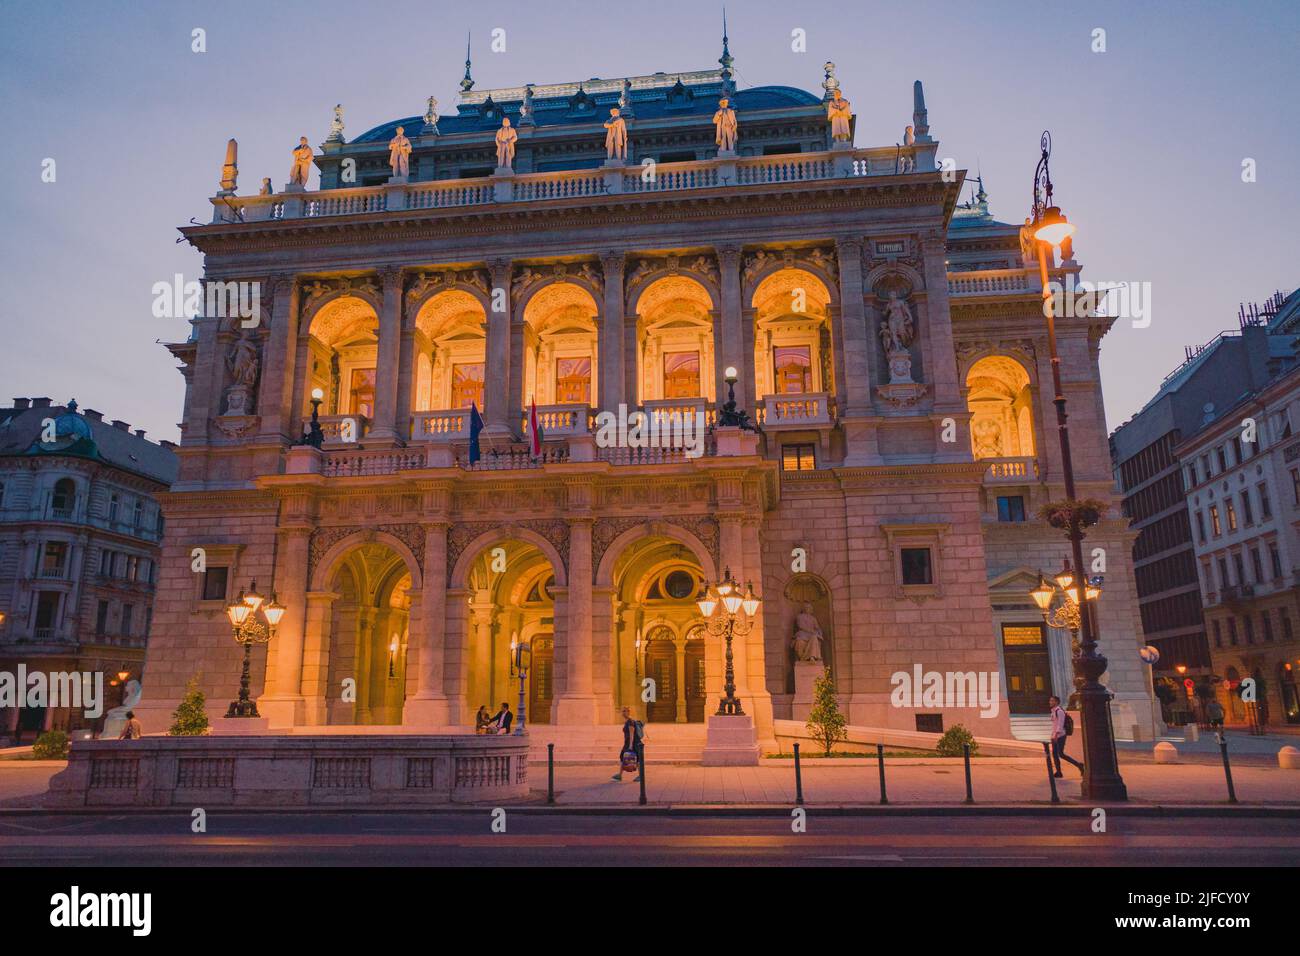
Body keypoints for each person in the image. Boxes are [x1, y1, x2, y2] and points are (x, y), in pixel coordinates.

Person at [1048, 695, 1082, 777]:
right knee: (1055, 754)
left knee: (1061, 754)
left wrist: (1056, 734)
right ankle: (1058, 772)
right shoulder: (1053, 711)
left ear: (1056, 702)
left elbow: (1060, 723)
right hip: (1055, 735)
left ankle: (1079, 765)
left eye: (1052, 701)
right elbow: (1055, 724)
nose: (1050, 702)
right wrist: (1052, 734)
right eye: (1050, 700)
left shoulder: (1059, 711)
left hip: (1060, 735)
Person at [612, 706, 644, 782]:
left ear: (628, 712)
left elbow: (631, 733)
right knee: (623, 757)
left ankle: (640, 776)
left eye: (624, 711)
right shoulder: (628, 721)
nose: (622, 713)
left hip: (633, 743)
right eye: (622, 711)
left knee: (636, 759)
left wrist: (630, 746)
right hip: (629, 742)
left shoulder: (630, 721)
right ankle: (620, 775)